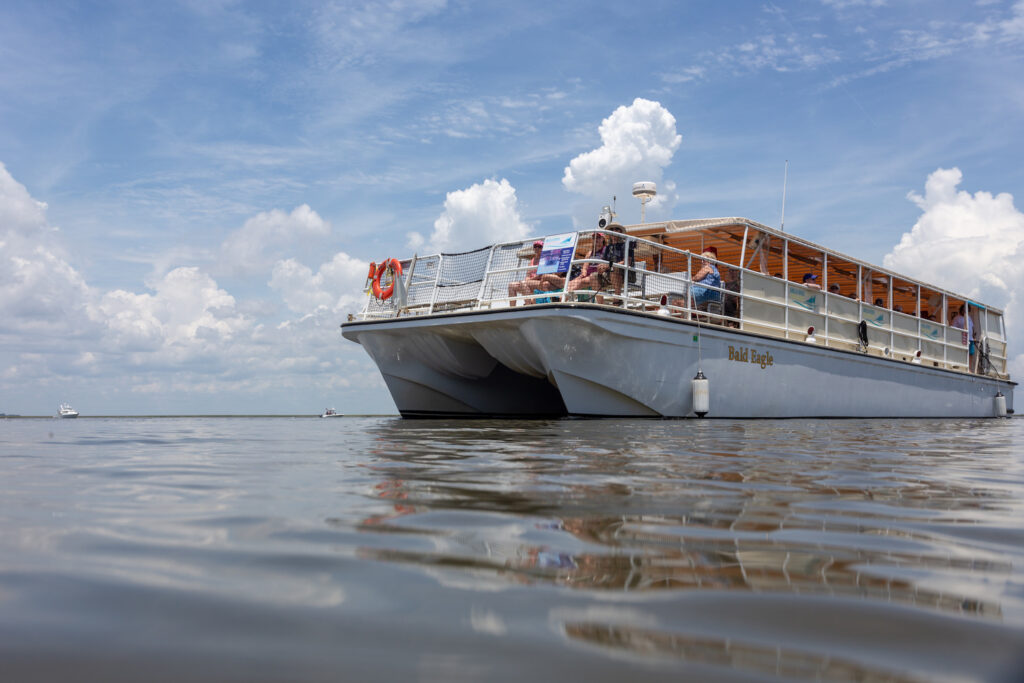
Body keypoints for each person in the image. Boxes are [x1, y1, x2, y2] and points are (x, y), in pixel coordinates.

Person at [565, 232, 611, 300]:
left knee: (578, 283)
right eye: (594, 238)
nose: (596, 239)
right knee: (570, 284)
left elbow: (609, 264)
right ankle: (563, 301)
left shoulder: (606, 250)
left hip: (598, 276)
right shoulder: (589, 253)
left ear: (603, 239)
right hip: (587, 276)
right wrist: (583, 273)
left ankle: (565, 298)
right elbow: (585, 267)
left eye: (598, 237)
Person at [508, 241, 549, 307]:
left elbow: (541, 275)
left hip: (540, 282)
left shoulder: (545, 259)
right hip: (530, 282)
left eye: (539, 247)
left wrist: (529, 280)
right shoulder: (531, 261)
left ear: (543, 248)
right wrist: (528, 280)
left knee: (524, 283)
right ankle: (511, 308)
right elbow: (527, 274)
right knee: (511, 285)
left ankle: (528, 305)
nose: (537, 248)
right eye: (535, 246)